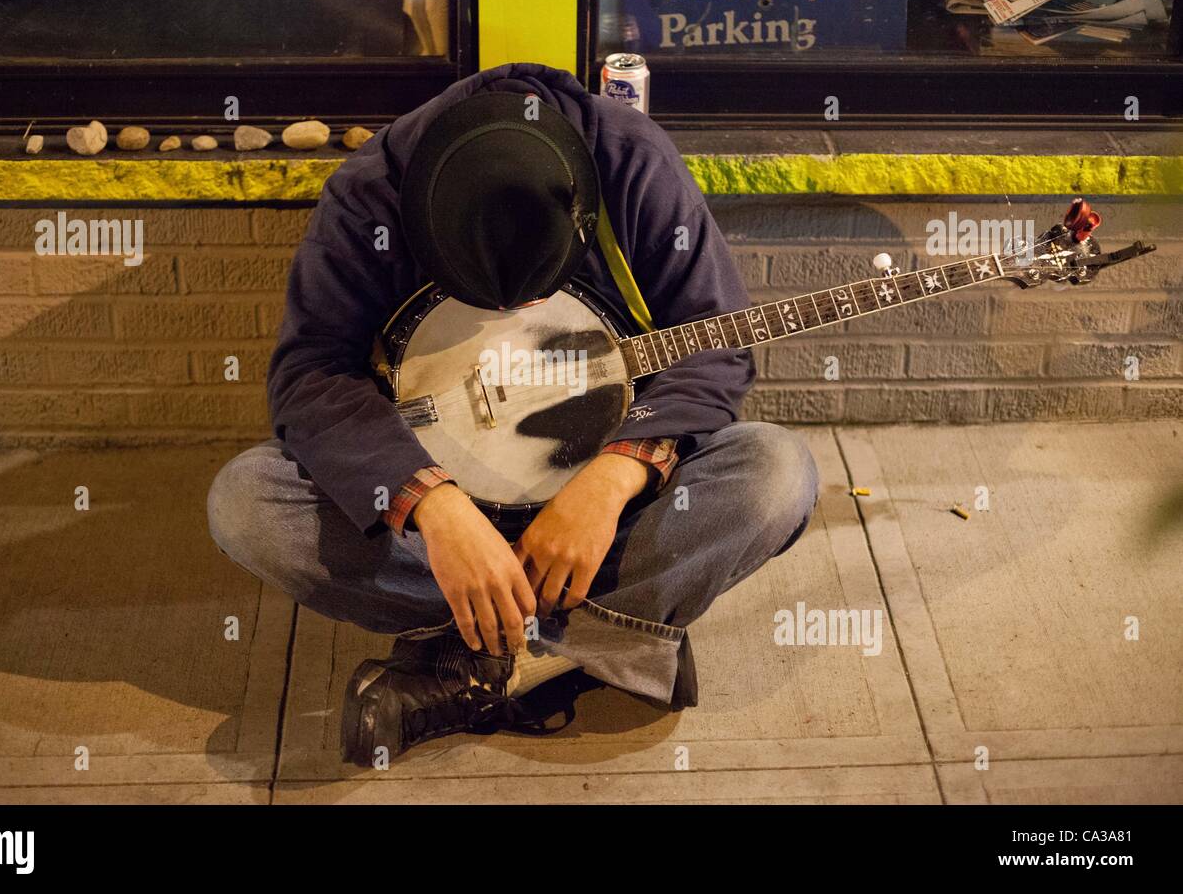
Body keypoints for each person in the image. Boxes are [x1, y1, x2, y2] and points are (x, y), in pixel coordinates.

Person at [208, 62, 819, 766]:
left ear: (579, 212)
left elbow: (719, 339)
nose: (509, 317)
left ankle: (475, 664)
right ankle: (609, 642)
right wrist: (431, 505)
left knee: (775, 473)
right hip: (447, 498)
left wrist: (619, 472)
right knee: (247, 504)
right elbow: (310, 372)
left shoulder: (632, 160)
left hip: (602, 496)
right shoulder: (365, 196)